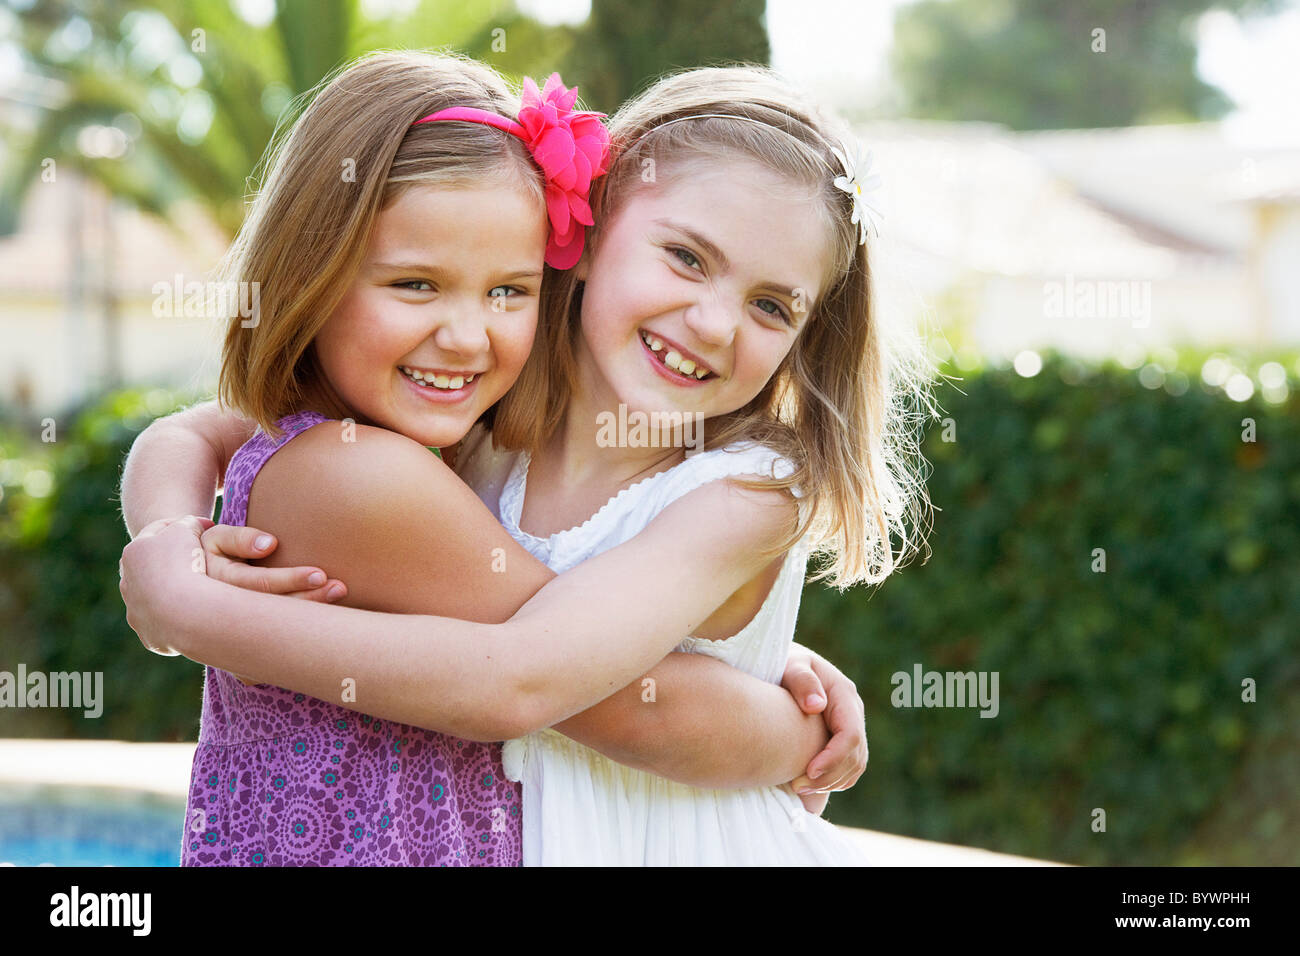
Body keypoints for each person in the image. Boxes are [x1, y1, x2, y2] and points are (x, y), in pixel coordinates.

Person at [119, 52, 870, 866]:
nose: (716, 324)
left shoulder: (744, 494)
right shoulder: (460, 436)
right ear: (585, 239)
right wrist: (171, 541)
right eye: (686, 257)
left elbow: (531, 674)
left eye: (770, 305)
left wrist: (193, 609)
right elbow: (194, 432)